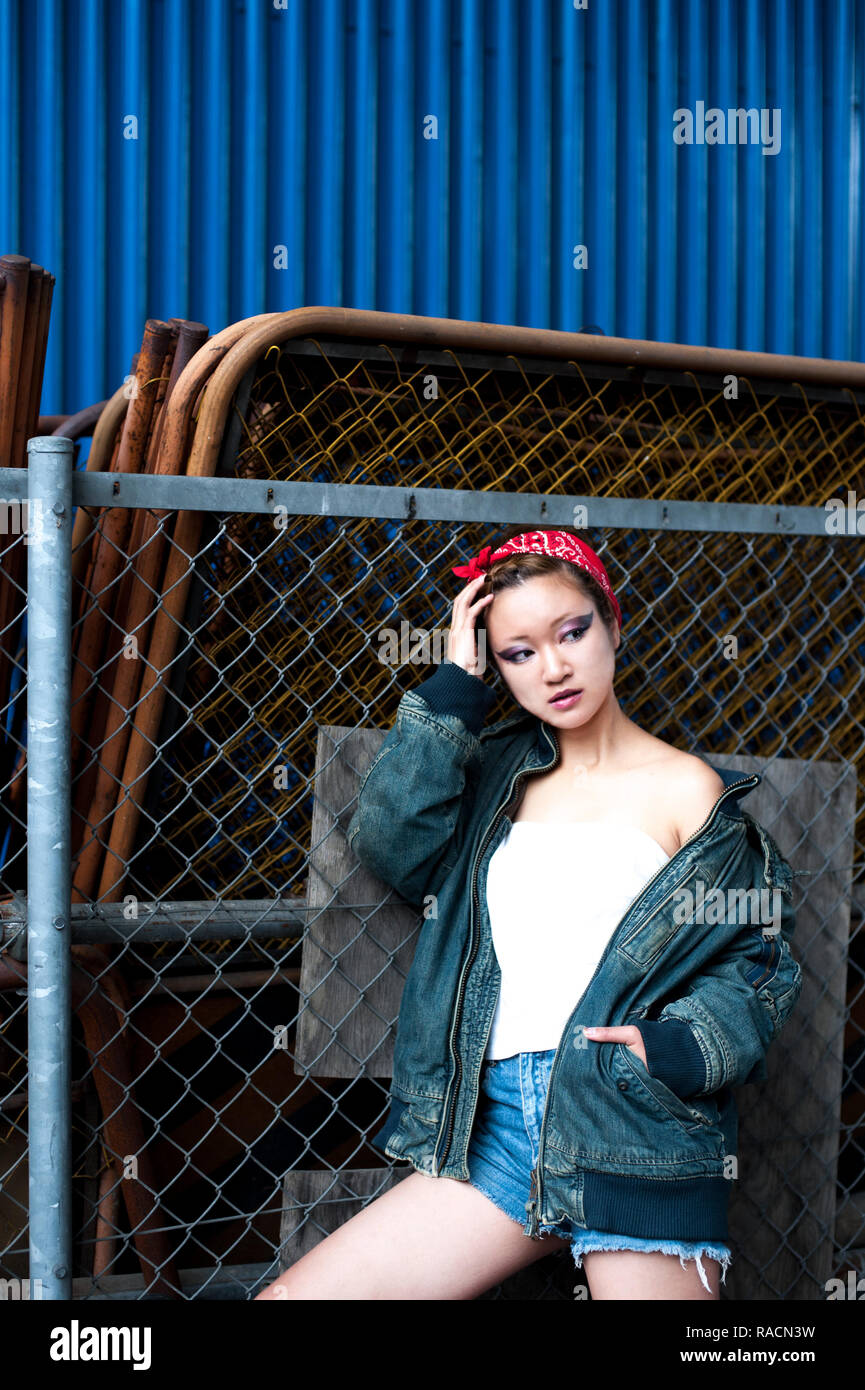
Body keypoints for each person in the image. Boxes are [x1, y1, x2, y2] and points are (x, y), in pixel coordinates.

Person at [255, 527, 801, 1301]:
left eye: (572, 632)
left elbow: (757, 961)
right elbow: (391, 841)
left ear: (611, 624)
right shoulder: (493, 784)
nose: (553, 666)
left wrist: (677, 1050)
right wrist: (453, 684)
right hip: (496, 1130)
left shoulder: (690, 792)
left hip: (631, 1122)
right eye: (518, 652)